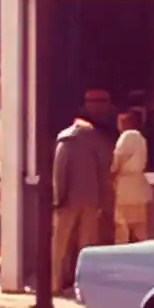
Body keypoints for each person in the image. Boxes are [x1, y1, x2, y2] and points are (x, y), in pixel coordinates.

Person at [52, 90, 115, 294]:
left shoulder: (65, 140)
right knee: (86, 246)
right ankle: (83, 286)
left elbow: (59, 171)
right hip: (91, 200)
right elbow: (104, 172)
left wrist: (58, 198)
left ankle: (54, 283)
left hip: (67, 200)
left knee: (60, 246)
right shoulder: (97, 140)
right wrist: (104, 202)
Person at [111, 110, 153, 244]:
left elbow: (117, 160)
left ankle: (121, 259)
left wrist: (111, 172)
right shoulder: (141, 139)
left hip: (125, 192)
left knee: (122, 229)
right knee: (140, 229)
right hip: (139, 190)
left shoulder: (127, 137)